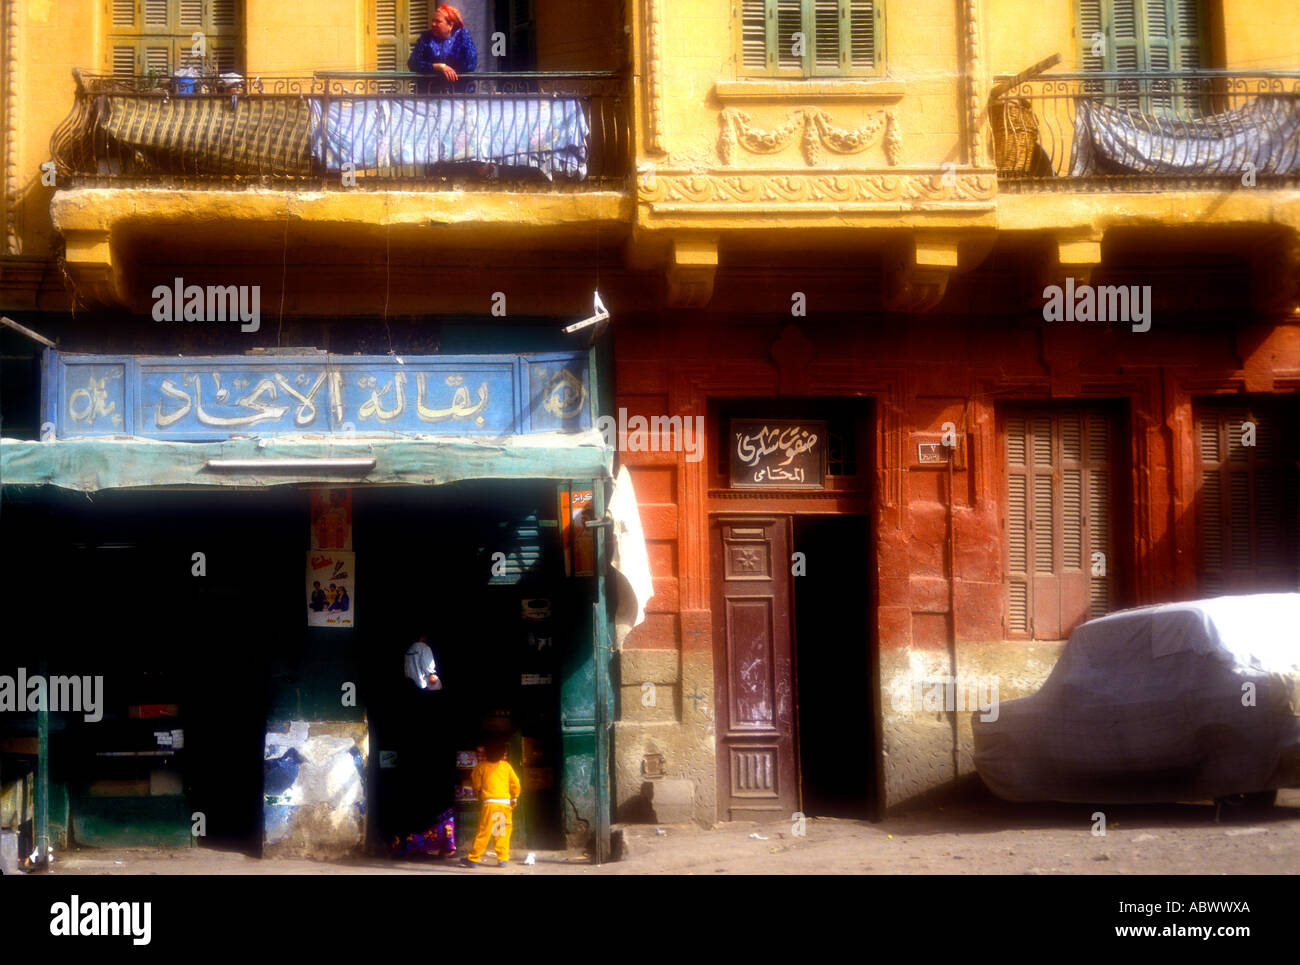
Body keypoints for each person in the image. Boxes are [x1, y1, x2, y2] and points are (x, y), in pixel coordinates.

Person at [459, 740, 521, 868]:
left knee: (484, 832)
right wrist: (515, 797)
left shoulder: (480, 767)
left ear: (486, 754)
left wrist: (479, 794)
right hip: (504, 805)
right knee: (501, 832)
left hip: (489, 804)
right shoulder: (506, 766)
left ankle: (474, 859)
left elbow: (476, 784)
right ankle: (502, 859)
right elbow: (516, 783)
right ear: (503, 754)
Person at [408, 5, 477, 84]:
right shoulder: (426, 38)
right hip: (430, 91)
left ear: (450, 25)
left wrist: (449, 69)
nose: (433, 24)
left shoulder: (462, 37)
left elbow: (470, 64)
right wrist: (438, 67)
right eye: (433, 21)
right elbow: (413, 63)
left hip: (458, 91)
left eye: (438, 21)